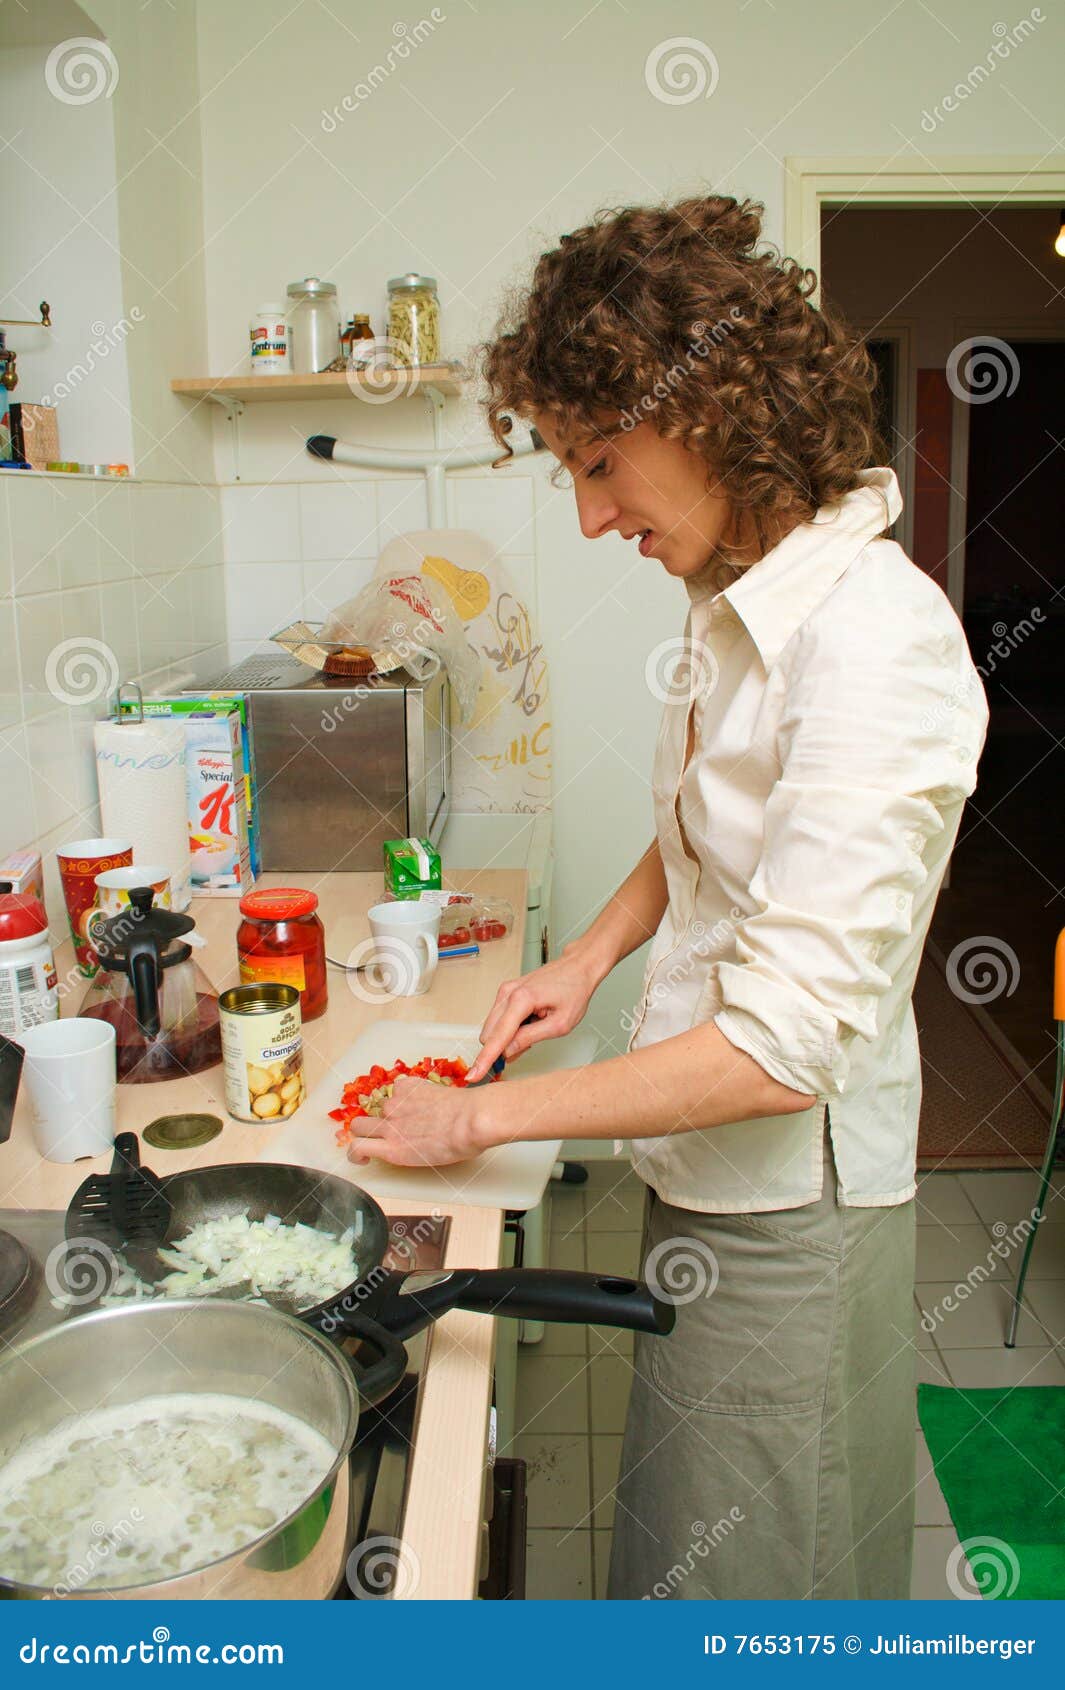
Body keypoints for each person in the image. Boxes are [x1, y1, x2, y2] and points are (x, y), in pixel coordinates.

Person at [344, 193, 990, 1599]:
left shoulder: (872, 644)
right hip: (711, 1175)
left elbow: (776, 1053)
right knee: (690, 1551)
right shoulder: (738, 601)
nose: (589, 517)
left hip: (788, 1209)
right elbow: (705, 823)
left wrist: (476, 1117)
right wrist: (584, 959)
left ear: (707, 412)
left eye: (598, 463)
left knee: (749, 1590)